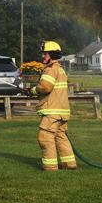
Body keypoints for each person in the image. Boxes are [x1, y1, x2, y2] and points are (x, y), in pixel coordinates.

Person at [33, 40, 77, 171]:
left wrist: (33, 90)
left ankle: (50, 166)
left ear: (52, 55)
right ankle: (69, 164)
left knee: (45, 137)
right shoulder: (60, 69)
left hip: (52, 110)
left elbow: (45, 87)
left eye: (45, 54)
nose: (43, 56)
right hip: (62, 111)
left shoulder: (51, 69)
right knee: (60, 136)